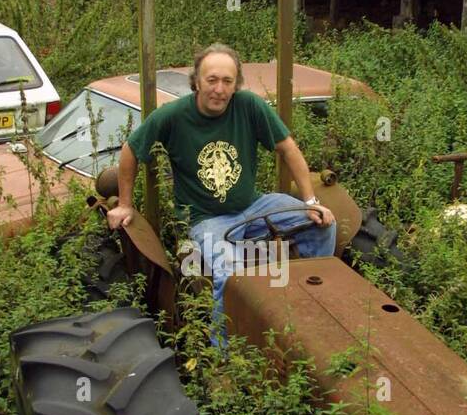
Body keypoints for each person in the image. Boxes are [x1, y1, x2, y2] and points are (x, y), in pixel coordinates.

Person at [106, 43, 336, 342]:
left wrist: (310, 202)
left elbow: (287, 148)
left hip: (254, 206)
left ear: (236, 84)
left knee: (322, 227)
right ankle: (225, 355)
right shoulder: (174, 116)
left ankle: (306, 309)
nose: (219, 89)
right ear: (197, 82)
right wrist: (125, 204)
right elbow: (131, 150)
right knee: (231, 273)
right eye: (211, 80)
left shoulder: (249, 106)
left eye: (227, 81)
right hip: (206, 219)